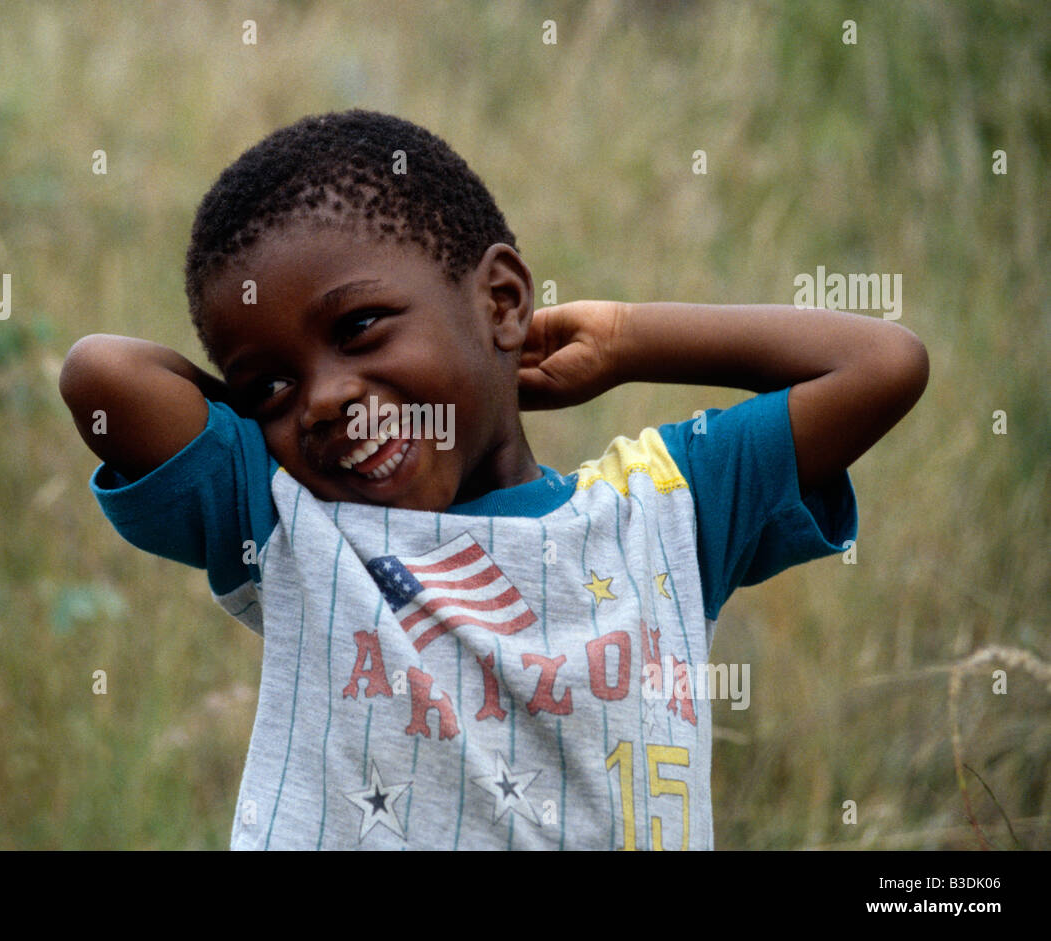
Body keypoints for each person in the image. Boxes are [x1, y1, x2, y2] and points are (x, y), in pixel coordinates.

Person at [59, 109, 928, 849]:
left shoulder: (663, 510)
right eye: (272, 385)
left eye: (360, 326)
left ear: (503, 301)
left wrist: (627, 338)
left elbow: (880, 363)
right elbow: (103, 376)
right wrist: (255, 430)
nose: (323, 398)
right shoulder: (293, 519)